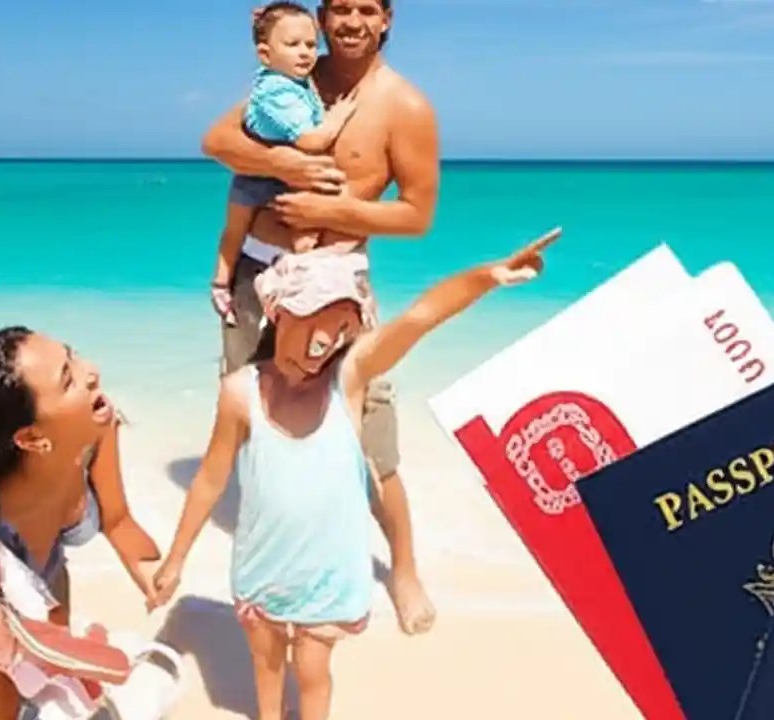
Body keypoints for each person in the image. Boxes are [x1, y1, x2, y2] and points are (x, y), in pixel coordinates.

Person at [151, 228, 560, 720]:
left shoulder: (348, 381)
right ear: (277, 313)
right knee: (265, 663)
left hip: (326, 579)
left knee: (313, 670)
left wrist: (488, 276)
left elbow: (420, 318)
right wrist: (175, 559)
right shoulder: (241, 392)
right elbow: (210, 480)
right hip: (261, 569)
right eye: (311, 323)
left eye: (340, 328)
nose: (322, 343)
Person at [200, 0, 441, 635]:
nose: (351, 22)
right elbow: (216, 142)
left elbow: (417, 214)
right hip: (257, 280)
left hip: (334, 286)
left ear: (387, 20)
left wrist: (333, 214)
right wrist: (280, 162)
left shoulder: (403, 105)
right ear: (323, 16)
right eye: (340, 9)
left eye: (366, 9)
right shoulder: (293, 75)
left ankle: (404, 570)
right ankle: (281, 558)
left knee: (371, 441)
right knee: (258, 426)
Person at [0, 327, 164, 718]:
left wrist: (159, 577)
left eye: (73, 355)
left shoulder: (93, 428)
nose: (91, 371)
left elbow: (117, 521)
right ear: (31, 438)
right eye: (68, 379)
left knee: (51, 688)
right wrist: (93, 658)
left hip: (44, 577)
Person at [211, 1, 362, 326]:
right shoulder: (276, 91)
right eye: (293, 45)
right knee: (246, 233)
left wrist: (276, 21)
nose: (305, 53)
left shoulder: (291, 78)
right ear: (265, 55)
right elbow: (311, 140)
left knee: (242, 232)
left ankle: (241, 284)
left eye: (311, 44)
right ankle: (225, 284)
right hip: (258, 179)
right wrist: (340, 116)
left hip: (272, 179)